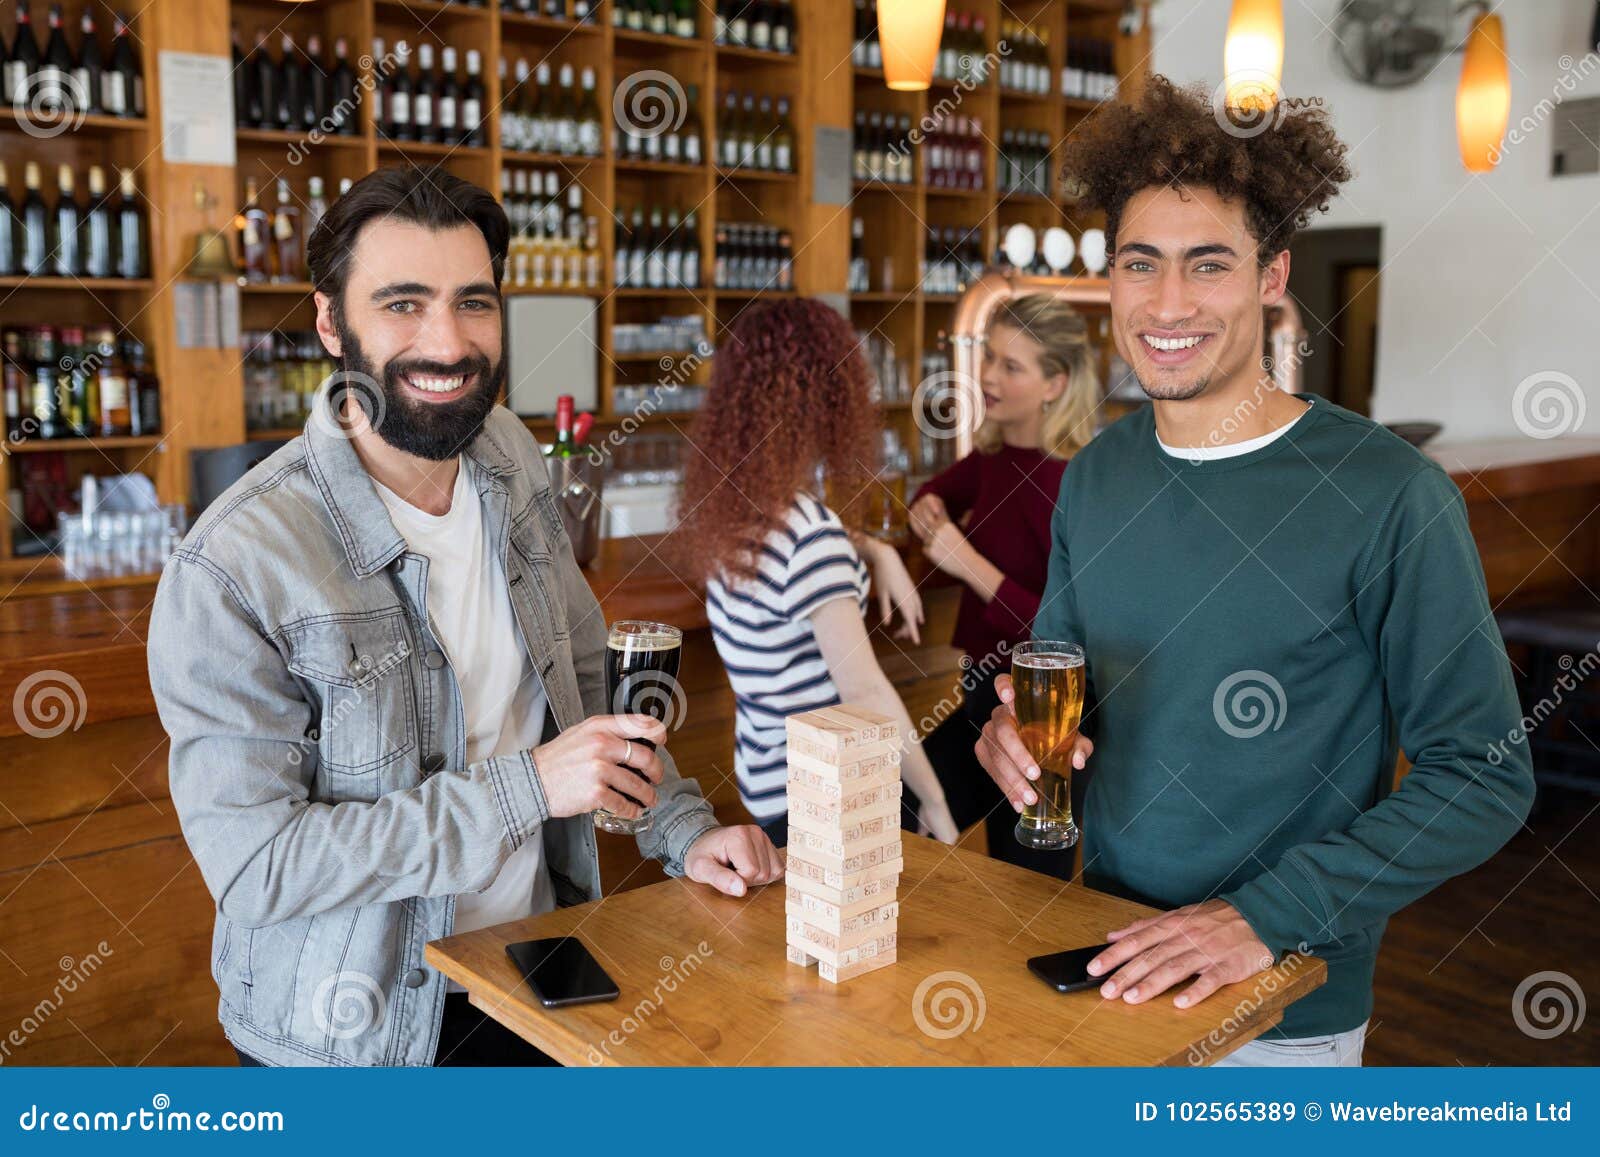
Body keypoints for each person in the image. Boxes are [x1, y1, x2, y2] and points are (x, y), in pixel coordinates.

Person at [148, 166, 781, 1068]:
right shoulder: (234, 564)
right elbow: (261, 867)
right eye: (403, 303)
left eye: (473, 302)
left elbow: (586, 686)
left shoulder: (510, 458)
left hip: (534, 975)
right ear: (331, 322)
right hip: (350, 1039)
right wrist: (529, 786)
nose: (447, 342)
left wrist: (683, 829)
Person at [975, 78, 1535, 1066]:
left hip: (1278, 999)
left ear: (1272, 275)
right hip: (1099, 956)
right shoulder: (1097, 474)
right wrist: (1015, 738)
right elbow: (1064, 688)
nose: (1169, 303)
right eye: (1140, 264)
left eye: (1209, 265)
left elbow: (1482, 774)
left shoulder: (1391, 494)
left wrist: (1261, 916)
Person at [675, 297, 959, 847]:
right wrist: (935, 799)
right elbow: (867, 693)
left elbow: (804, 566)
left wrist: (876, 550)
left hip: (768, 793)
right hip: (833, 795)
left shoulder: (732, 510)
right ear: (832, 398)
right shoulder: (810, 535)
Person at [907, 293, 1099, 874]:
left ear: (1055, 384)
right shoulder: (995, 456)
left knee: (1027, 872)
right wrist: (932, 507)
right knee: (906, 809)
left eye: (1010, 366)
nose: (986, 376)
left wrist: (969, 565)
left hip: (1046, 708)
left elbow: (1069, 627)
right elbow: (929, 495)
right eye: (989, 358)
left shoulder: (1071, 480)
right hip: (983, 685)